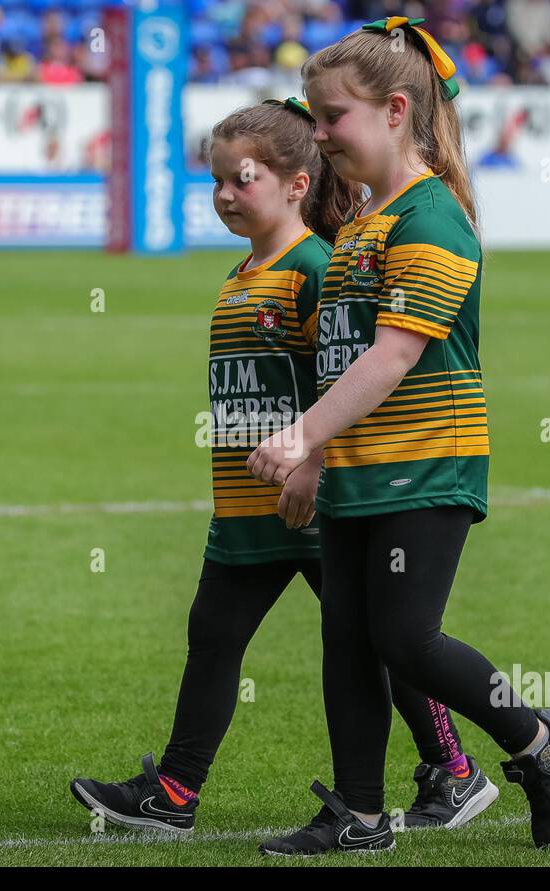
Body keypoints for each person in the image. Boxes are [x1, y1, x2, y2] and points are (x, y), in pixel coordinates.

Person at [70, 98, 499, 837]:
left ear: (297, 184)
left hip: (307, 504)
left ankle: (454, 768)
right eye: (216, 183)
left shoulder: (313, 268)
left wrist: (313, 464)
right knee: (214, 635)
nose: (224, 196)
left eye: (241, 180)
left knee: (383, 643)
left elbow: (342, 377)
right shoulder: (243, 272)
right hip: (244, 505)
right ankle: (175, 792)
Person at [247, 17, 550, 856]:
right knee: (348, 644)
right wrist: (318, 456)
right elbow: (340, 361)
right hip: (360, 470)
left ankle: (540, 739)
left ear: (395, 110)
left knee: (405, 638)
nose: (317, 136)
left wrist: (297, 435)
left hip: (427, 465)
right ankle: (359, 814)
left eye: (331, 118)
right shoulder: (362, 222)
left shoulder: (434, 218)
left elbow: (392, 358)